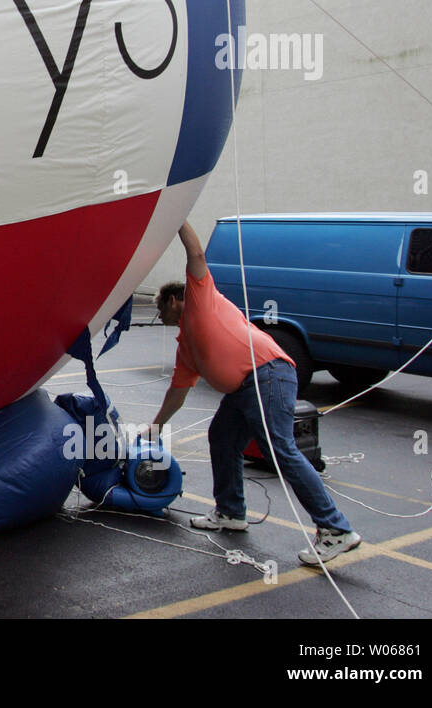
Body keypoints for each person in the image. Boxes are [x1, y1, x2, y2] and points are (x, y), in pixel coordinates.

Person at [148, 220, 362, 566]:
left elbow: (196, 253)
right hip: (243, 390)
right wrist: (156, 426)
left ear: (174, 301)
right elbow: (177, 392)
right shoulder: (186, 346)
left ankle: (336, 529)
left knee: (280, 449)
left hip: (268, 375)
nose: (161, 317)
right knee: (221, 436)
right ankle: (231, 512)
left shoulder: (201, 299)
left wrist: (177, 215)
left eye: (161, 310)